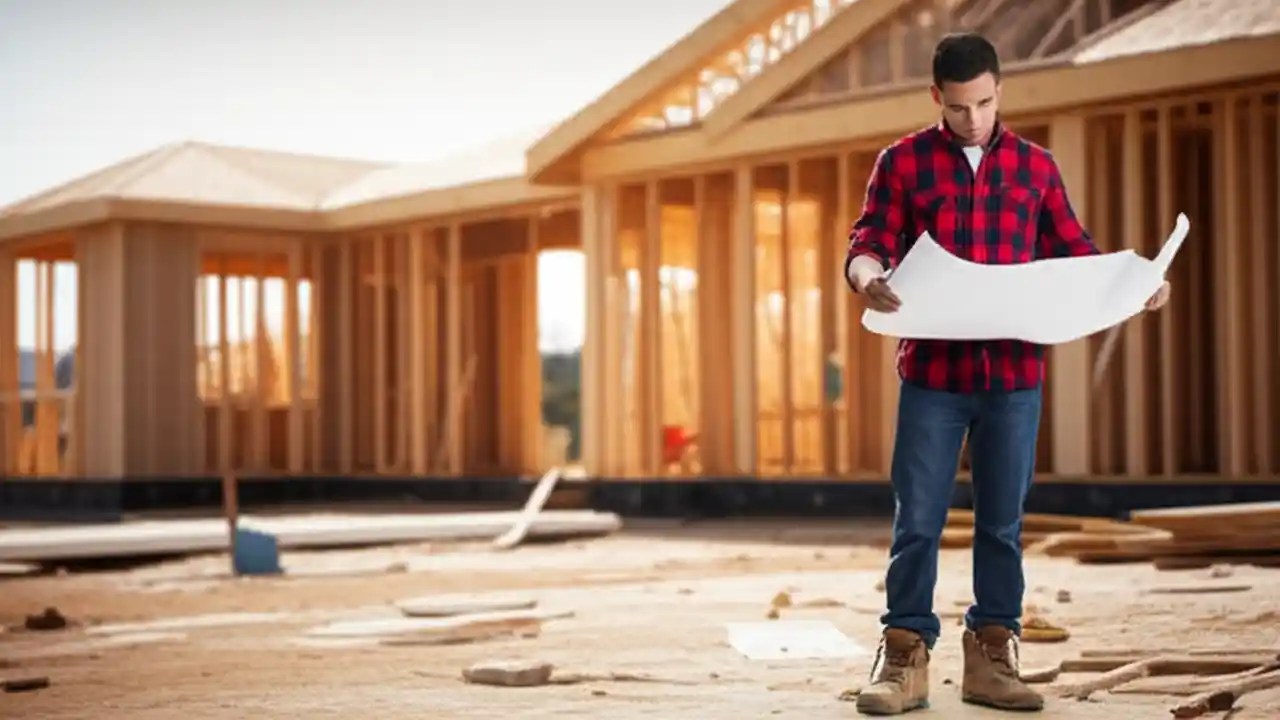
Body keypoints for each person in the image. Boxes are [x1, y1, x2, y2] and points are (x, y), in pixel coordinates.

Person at [844, 32, 1170, 715]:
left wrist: (1133, 284)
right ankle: (904, 655)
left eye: (985, 104)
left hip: (1014, 376)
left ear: (1000, 90)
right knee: (918, 521)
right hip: (933, 375)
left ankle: (993, 653)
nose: (973, 119)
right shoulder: (901, 163)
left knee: (1001, 523)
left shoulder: (1035, 168)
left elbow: (1074, 253)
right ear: (937, 97)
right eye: (960, 107)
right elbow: (869, 237)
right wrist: (866, 274)